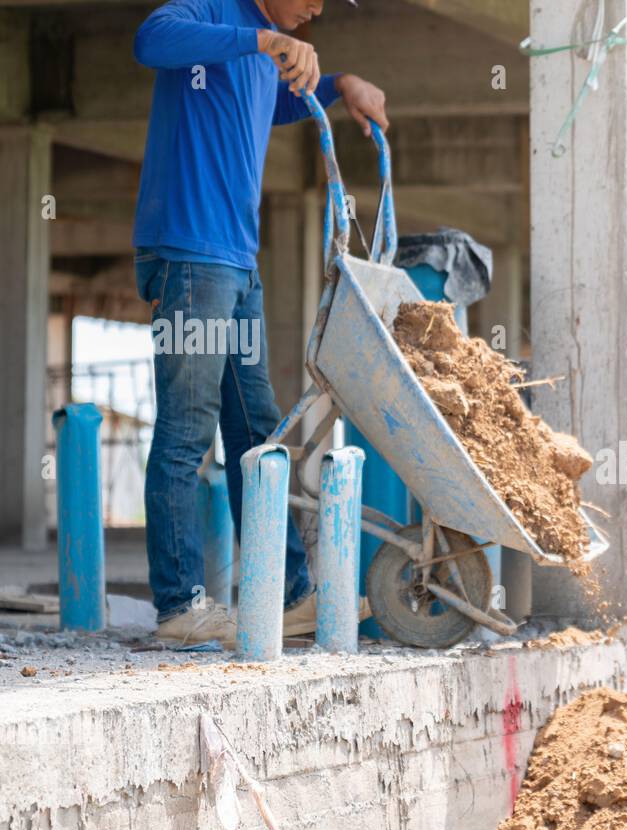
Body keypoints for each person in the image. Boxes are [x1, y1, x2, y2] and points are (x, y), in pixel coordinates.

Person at [131, 0, 387, 645]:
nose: (317, 8)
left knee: (256, 427)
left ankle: (290, 594)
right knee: (187, 429)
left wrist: (340, 85)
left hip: (237, 264)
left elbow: (272, 104)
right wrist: (263, 40)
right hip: (191, 256)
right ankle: (180, 607)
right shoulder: (212, 14)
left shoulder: (260, 49)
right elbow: (150, 39)